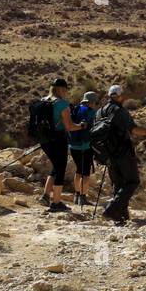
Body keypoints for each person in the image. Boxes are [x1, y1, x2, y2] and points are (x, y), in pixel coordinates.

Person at [94, 84, 146, 224]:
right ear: (120, 96)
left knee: (118, 183)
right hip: (122, 151)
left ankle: (121, 216)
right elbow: (134, 130)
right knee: (132, 181)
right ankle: (111, 209)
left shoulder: (99, 112)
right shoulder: (120, 111)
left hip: (107, 153)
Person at [40, 78, 85, 213]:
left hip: (44, 140)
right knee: (60, 169)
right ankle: (56, 203)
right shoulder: (62, 104)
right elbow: (69, 126)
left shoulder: (43, 100)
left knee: (56, 165)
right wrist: (82, 126)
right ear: (60, 89)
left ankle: (45, 195)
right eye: (65, 89)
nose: (66, 92)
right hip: (58, 140)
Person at [69, 91, 98, 207]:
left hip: (73, 146)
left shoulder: (75, 109)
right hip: (85, 146)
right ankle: (82, 197)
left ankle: (76, 195)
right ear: (92, 102)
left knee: (78, 170)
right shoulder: (92, 113)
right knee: (85, 172)